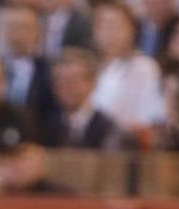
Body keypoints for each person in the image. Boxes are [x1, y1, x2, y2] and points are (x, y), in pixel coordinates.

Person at [91, 2, 166, 138]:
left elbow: (151, 118)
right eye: (103, 26)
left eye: (115, 26)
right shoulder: (90, 68)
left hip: (128, 146)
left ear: (131, 29)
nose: (109, 33)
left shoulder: (145, 67)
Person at [41, 48, 125, 150]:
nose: (66, 87)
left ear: (92, 82)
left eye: (73, 80)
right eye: (59, 81)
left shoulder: (107, 128)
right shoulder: (45, 125)